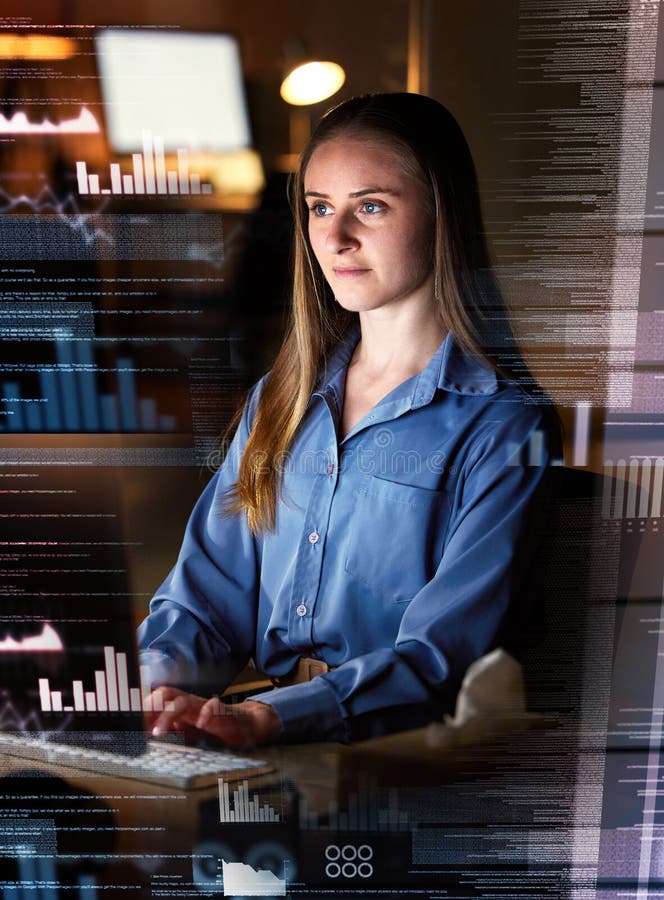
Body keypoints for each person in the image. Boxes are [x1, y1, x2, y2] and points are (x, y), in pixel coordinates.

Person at [138, 92, 558, 748]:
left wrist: (272, 717)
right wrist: (150, 687)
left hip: (402, 762)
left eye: (371, 206)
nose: (335, 238)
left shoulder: (503, 427)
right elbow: (205, 601)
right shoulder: (280, 398)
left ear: (441, 214)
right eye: (319, 208)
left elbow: (441, 658)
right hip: (262, 736)